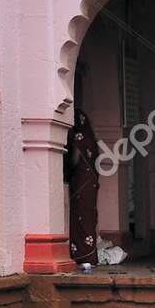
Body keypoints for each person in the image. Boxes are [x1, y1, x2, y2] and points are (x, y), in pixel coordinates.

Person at [64, 108, 101, 273]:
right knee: (88, 218)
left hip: (80, 183)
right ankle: (90, 256)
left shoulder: (79, 138)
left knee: (79, 219)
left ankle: (81, 255)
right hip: (90, 184)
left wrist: (66, 171)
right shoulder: (91, 140)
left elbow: (74, 160)